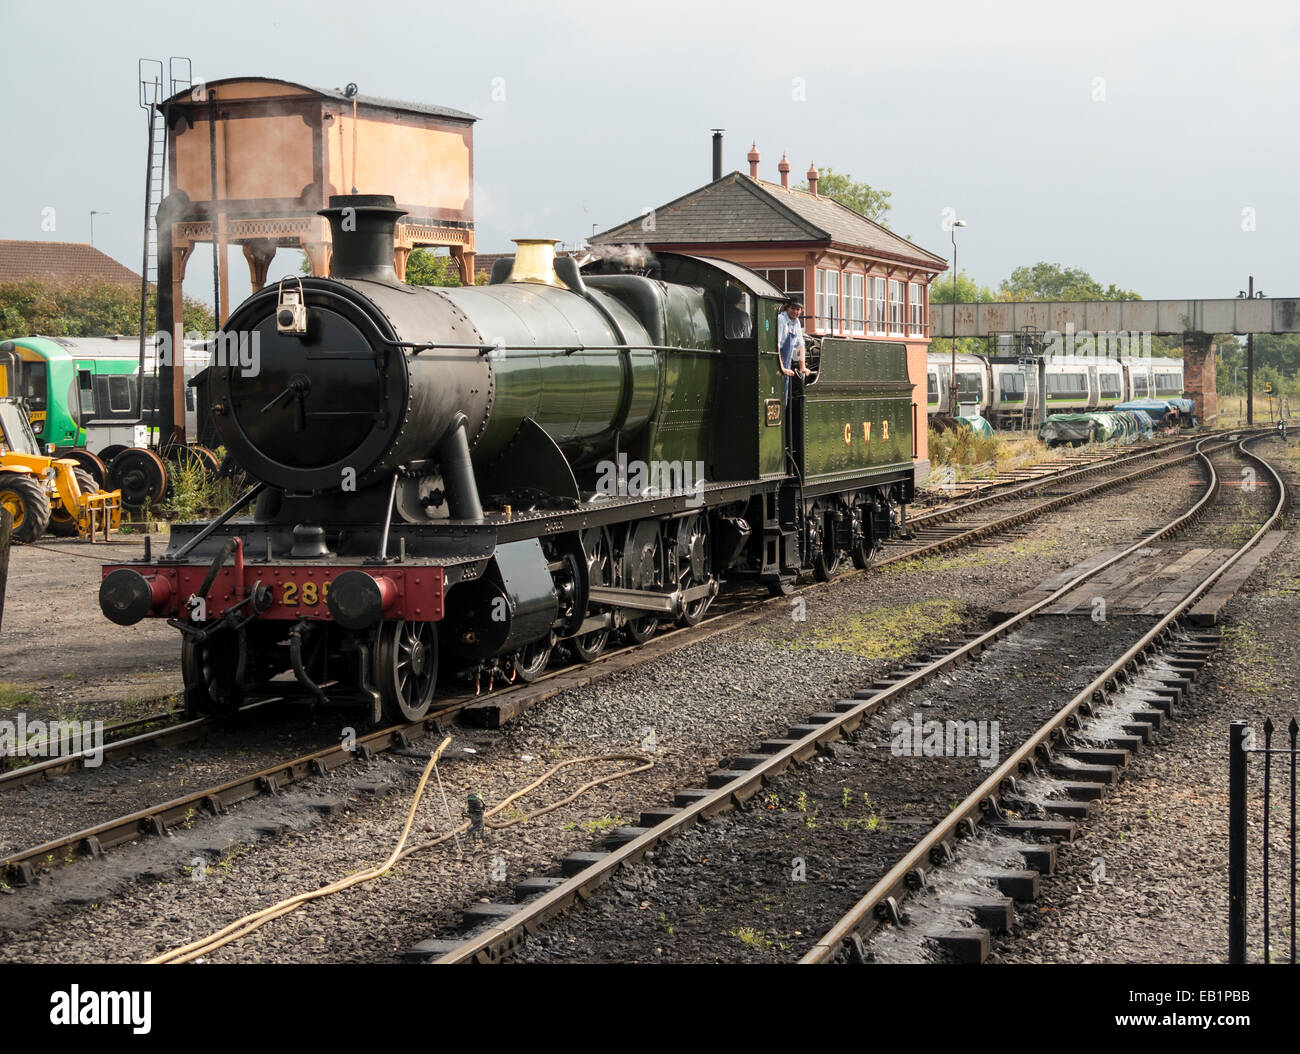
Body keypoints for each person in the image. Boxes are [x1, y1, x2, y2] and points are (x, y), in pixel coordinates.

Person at [777, 297, 810, 402]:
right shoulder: (781, 319)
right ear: (787, 308)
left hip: (786, 365)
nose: (795, 312)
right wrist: (781, 367)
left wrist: (802, 367)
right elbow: (776, 344)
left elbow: (800, 344)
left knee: (784, 398)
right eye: (793, 308)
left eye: (798, 309)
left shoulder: (796, 322)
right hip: (778, 363)